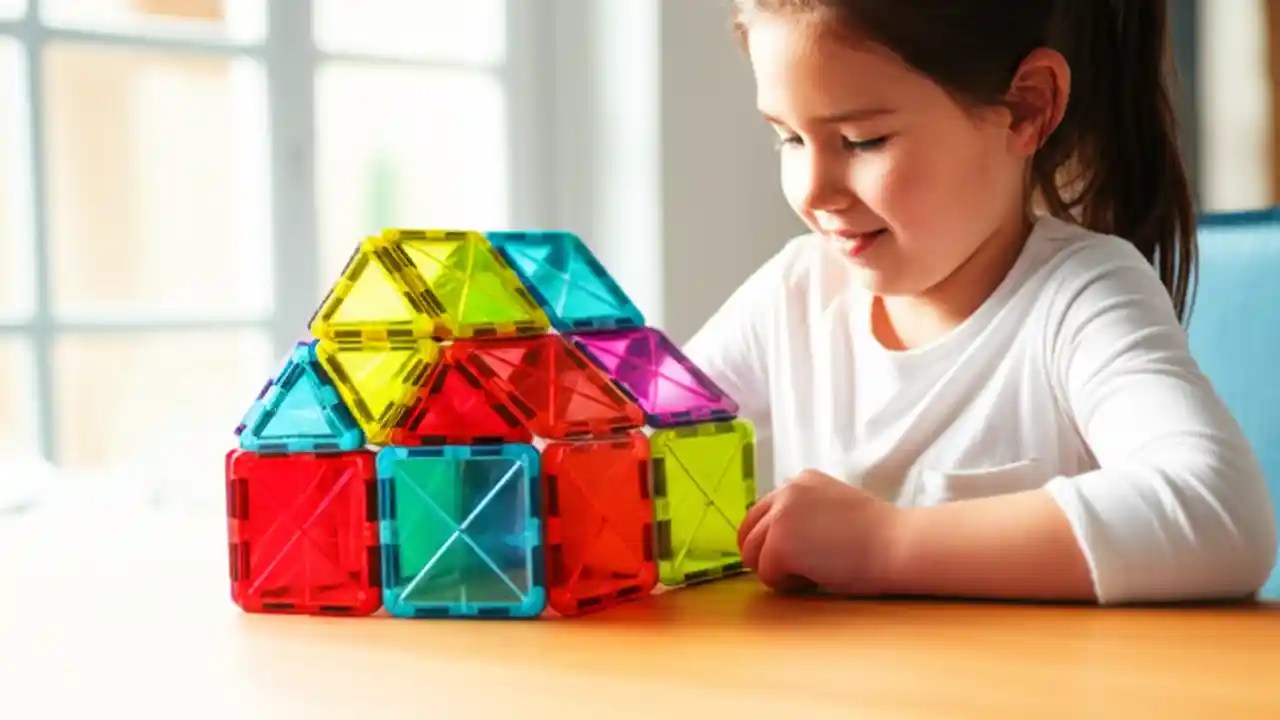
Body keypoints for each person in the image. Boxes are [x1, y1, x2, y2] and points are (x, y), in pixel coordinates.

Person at [683, 0, 1278, 604]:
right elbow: (637, 431)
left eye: (862, 141)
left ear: (1027, 107)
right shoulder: (795, 294)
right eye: (787, 137)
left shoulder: (1079, 299)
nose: (811, 191)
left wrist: (883, 544)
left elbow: (1220, 512)